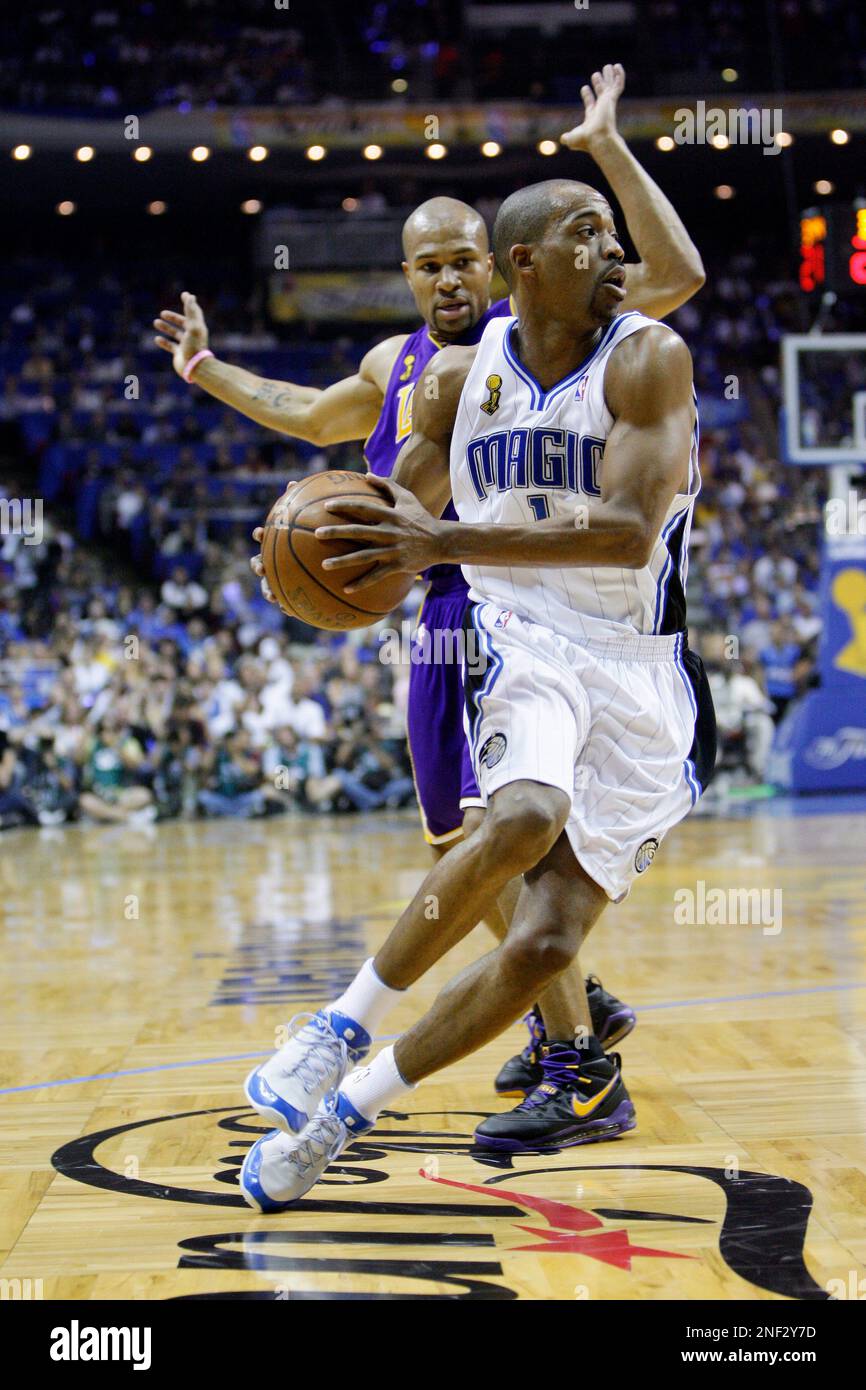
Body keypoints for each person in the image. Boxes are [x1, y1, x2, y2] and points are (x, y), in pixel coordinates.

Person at [155, 65, 705, 1095]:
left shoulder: (576, 327)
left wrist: (603, 147)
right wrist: (204, 376)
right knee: (467, 828)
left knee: (482, 826)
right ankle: (566, 997)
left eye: (463, 261)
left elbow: (671, 275)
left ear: (504, 268)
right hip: (443, 601)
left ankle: (565, 1024)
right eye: (427, 267)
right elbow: (304, 414)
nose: (448, 282)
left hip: (512, 600)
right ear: (406, 278)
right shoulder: (396, 367)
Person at [239, 174, 717, 1211]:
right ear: (528, 266)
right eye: (584, 233)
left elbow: (629, 533)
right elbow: (386, 510)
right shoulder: (456, 382)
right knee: (517, 816)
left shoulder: (647, 356)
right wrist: (303, 543)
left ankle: (348, 1110)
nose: (609, 250)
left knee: (547, 941)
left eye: (608, 234)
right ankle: (339, 1028)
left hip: (640, 667)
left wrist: (440, 537)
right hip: (519, 636)